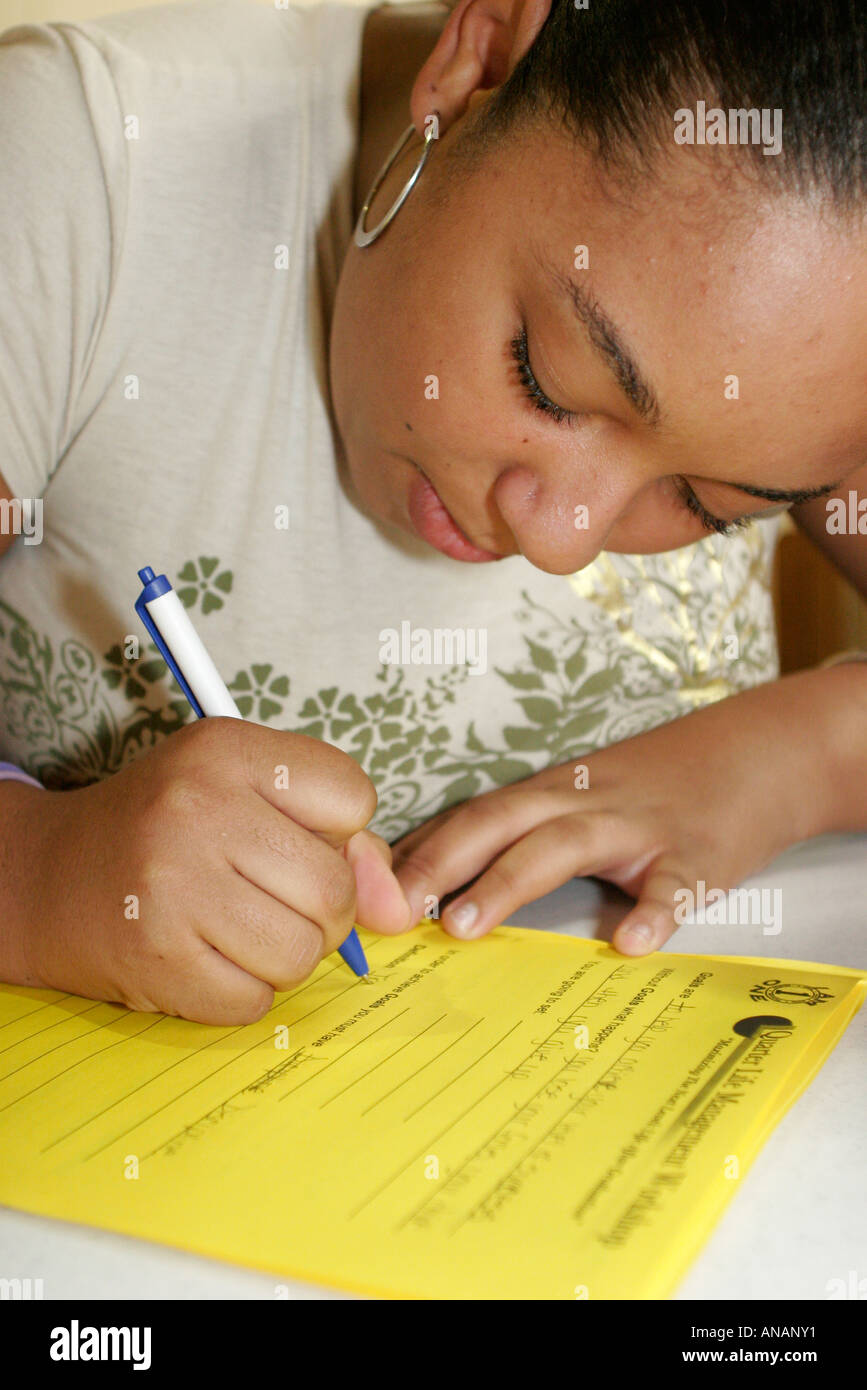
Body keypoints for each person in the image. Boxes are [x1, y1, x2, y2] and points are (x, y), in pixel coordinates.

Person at [0, 0, 864, 1024]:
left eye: (712, 505)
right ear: (481, 56)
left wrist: (813, 753)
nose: (561, 539)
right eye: (546, 381)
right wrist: (39, 875)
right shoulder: (86, 160)